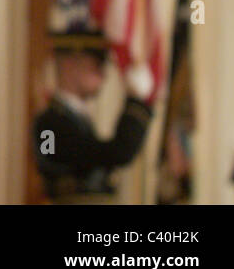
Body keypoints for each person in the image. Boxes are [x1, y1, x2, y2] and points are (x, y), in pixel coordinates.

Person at [32, 27, 153, 203]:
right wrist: (135, 102)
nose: (103, 74)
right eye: (97, 65)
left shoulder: (74, 119)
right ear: (70, 64)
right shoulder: (49, 125)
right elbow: (117, 153)